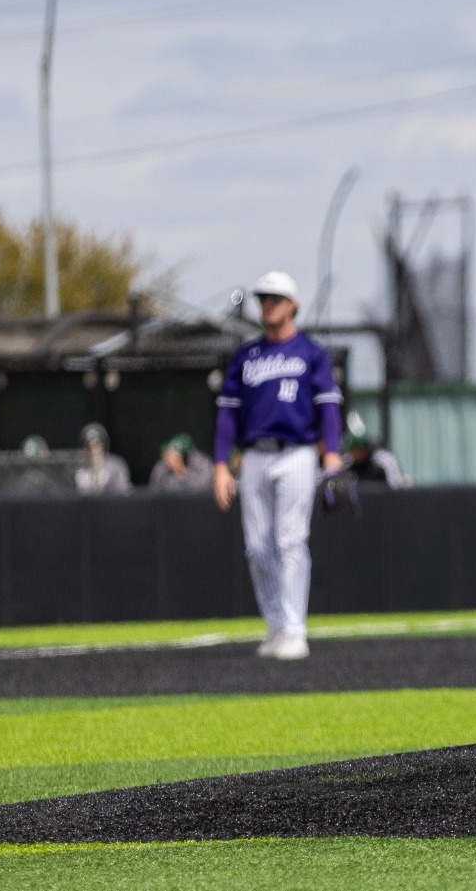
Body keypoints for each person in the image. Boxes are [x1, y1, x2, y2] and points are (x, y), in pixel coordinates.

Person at [212, 270, 344, 661]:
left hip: (297, 452)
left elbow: (328, 408)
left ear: (292, 305)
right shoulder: (246, 356)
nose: (267, 305)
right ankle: (276, 627)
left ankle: (295, 630)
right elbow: (227, 413)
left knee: (290, 540)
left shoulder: (311, 353)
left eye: (275, 299)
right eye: (263, 299)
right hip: (254, 454)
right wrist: (220, 464)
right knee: (256, 548)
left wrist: (332, 455)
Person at [73, 422, 132, 495]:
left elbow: (123, 493)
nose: (92, 449)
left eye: (97, 444)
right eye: (88, 445)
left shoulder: (116, 465)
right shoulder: (76, 466)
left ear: (104, 445)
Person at [149, 433, 213, 492]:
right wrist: (174, 473)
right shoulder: (161, 466)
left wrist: (181, 472)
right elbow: (154, 491)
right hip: (170, 500)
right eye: (166, 456)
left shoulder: (201, 462)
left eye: (175, 456)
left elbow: (205, 488)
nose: (168, 459)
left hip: (199, 499)